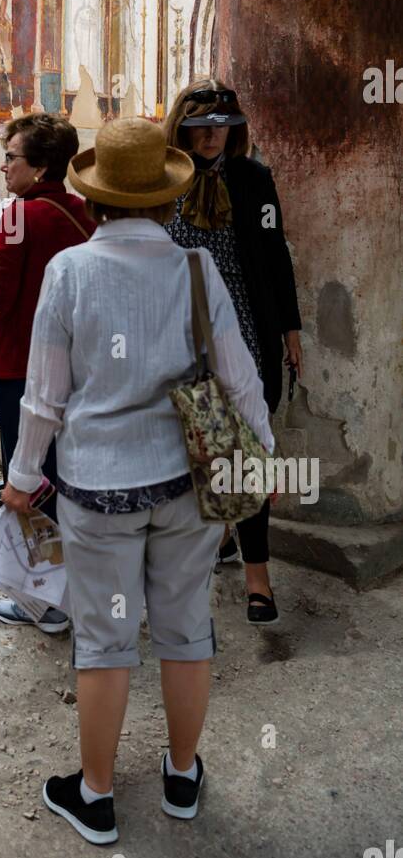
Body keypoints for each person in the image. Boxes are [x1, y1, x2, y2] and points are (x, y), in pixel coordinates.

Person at [0, 117, 274, 845]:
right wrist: (265, 456)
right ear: (166, 199)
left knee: (105, 638)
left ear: (95, 200)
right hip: (188, 485)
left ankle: (95, 796)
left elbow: (44, 395)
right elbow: (240, 375)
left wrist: (23, 476)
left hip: (97, 490)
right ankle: (181, 776)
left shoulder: (70, 272)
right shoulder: (195, 268)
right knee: (186, 626)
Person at [163, 79, 302, 625]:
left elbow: (276, 256)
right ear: (184, 127)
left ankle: (258, 581)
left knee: (245, 454)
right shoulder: (165, 179)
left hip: (246, 332)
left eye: (223, 126)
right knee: (199, 449)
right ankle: (212, 542)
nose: (213, 136)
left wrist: (290, 331)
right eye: (202, 126)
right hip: (179, 338)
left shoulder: (253, 180)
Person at [0, 112, 92, 634]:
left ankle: (47, 600)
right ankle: (75, 590)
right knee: (66, 479)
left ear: (39, 167)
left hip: (26, 366)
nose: (3, 165)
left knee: (33, 483)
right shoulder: (86, 211)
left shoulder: (18, 215)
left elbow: (0, 295)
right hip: (79, 365)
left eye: (11, 156)